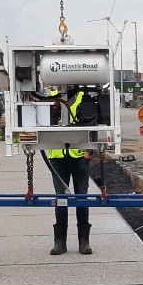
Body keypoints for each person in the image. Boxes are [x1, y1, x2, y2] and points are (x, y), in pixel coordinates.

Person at [43, 85, 96, 256]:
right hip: (57, 158)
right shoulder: (49, 99)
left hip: (80, 157)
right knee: (61, 198)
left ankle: (84, 241)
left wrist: (89, 153)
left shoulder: (83, 97)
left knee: (82, 198)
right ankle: (60, 242)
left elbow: (93, 124)